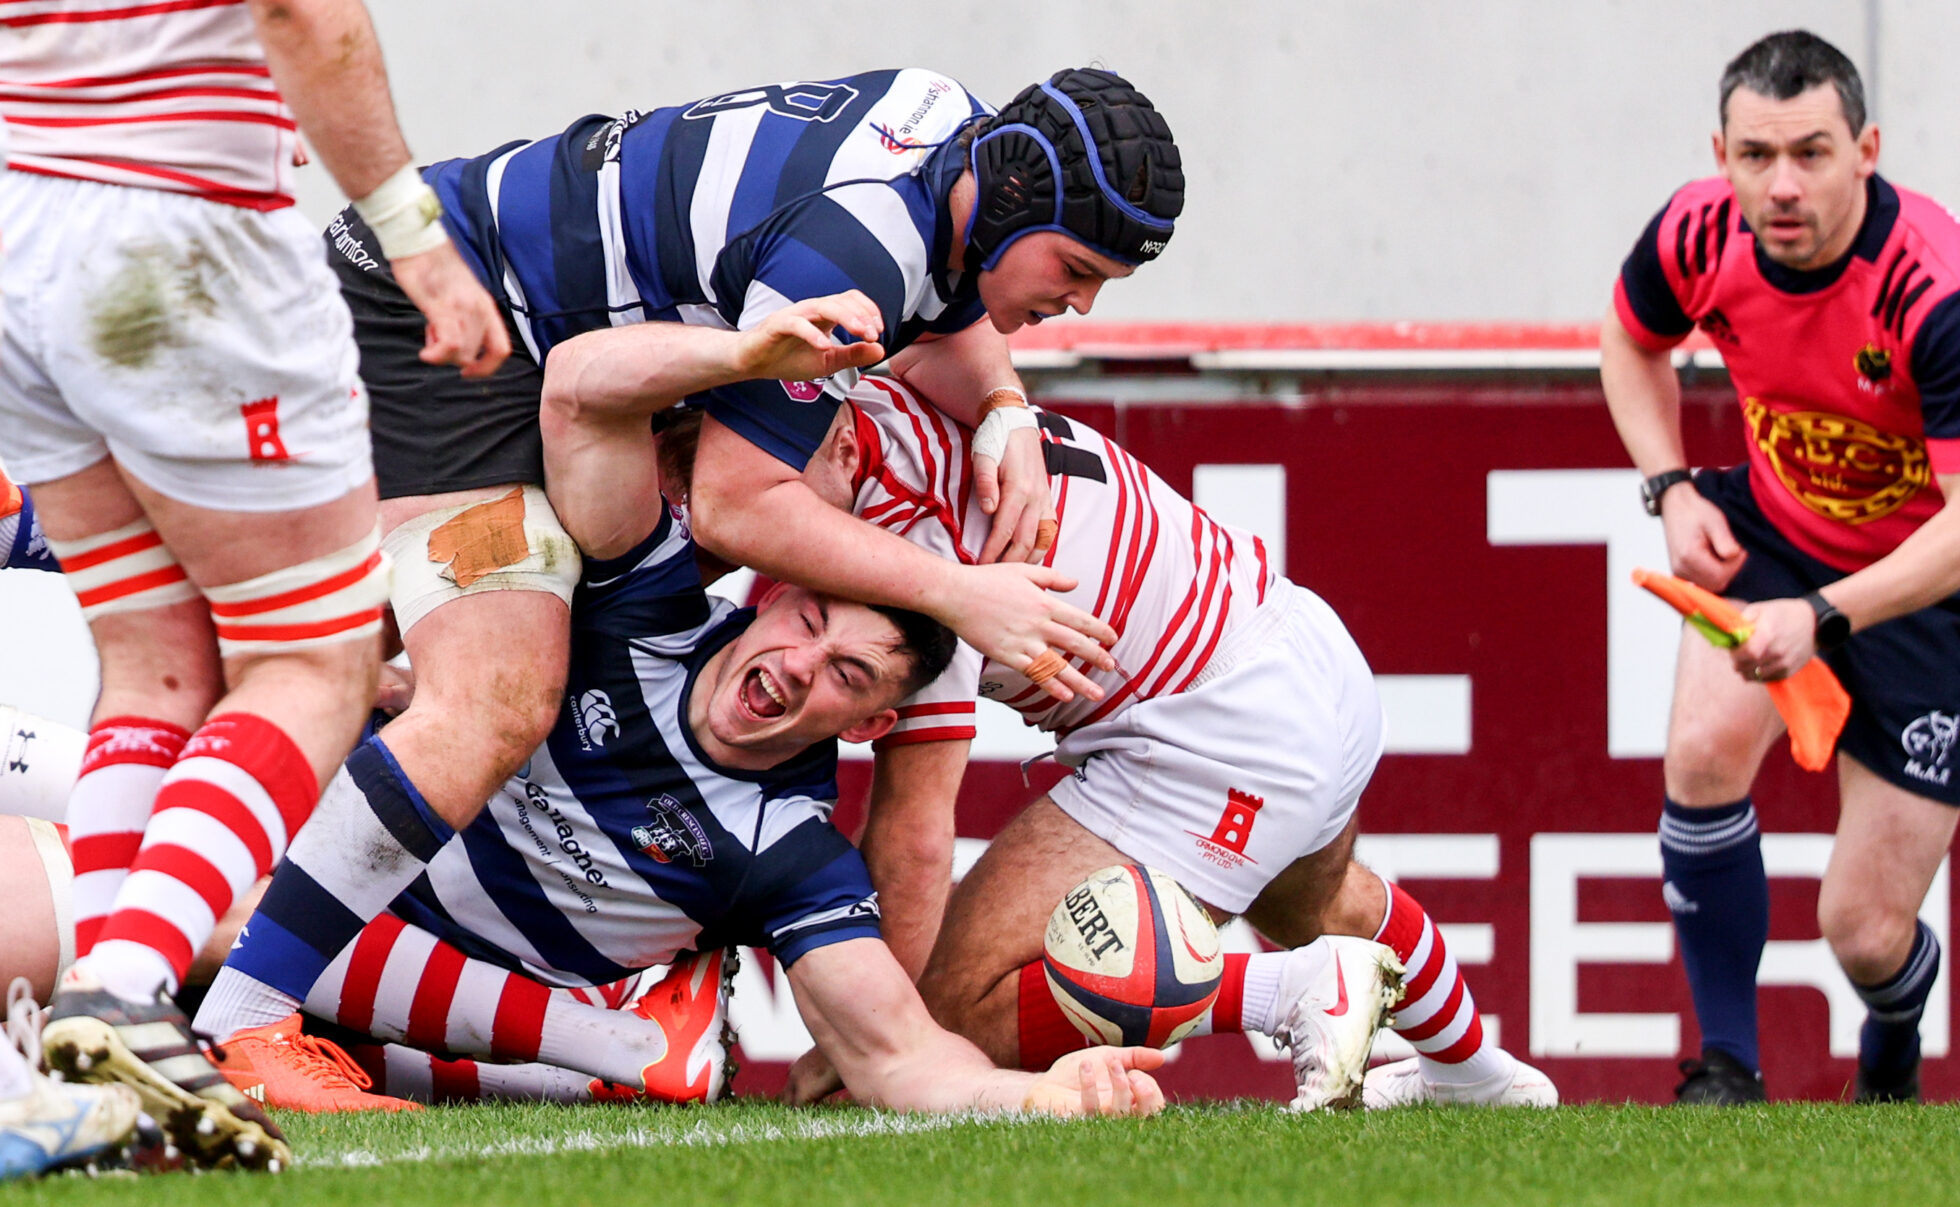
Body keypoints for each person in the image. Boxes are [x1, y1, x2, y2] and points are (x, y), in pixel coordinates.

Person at [216, 66, 1182, 1065]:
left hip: (504, 323)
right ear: (1013, 199)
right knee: (494, 694)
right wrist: (962, 594)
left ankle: (173, 933)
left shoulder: (960, 141)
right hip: (458, 319)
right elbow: (734, 499)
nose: (1076, 302)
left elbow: (938, 307)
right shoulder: (861, 242)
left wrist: (1003, 405)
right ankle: (244, 1017)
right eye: (1074, 268)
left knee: (345, 649)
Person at [193, 310, 1164, 1119]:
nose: (797, 665)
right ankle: (623, 1052)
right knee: (211, 815)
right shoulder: (642, 605)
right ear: (774, 597)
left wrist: (1040, 1099)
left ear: (868, 725)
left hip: (414, 949)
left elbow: (900, 1057)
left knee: (192, 917)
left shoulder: (790, 854)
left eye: (846, 675)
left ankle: (609, 1046)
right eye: (811, 622)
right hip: (329, 857)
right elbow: (577, 388)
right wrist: (744, 353)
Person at [0, 0, 506, 1171]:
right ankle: (121, 995)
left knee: (152, 658)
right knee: (310, 655)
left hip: (21, 228)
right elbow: (302, 14)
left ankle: (91, 1018)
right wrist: (413, 237)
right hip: (174, 219)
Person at [766, 378, 1557, 1110]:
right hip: (1297, 640)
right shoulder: (911, 376)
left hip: (1222, 730)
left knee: (946, 1019)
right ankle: (1476, 1073)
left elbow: (915, 833)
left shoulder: (902, 548)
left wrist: (859, 1045)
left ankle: (1292, 988)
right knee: (1308, 898)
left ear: (838, 448)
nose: (734, 494)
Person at [1599, 30, 1960, 1104]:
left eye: (1810, 153)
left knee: (1862, 930)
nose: (1780, 186)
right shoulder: (1699, 231)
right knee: (1699, 754)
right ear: (1720, 153)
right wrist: (1671, 487)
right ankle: (1726, 1067)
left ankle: (1891, 1030)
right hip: (1776, 532)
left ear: (1865, 148)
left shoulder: (1944, 293)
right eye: (1754, 156)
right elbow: (1626, 341)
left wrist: (1821, 614)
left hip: (1927, 587)